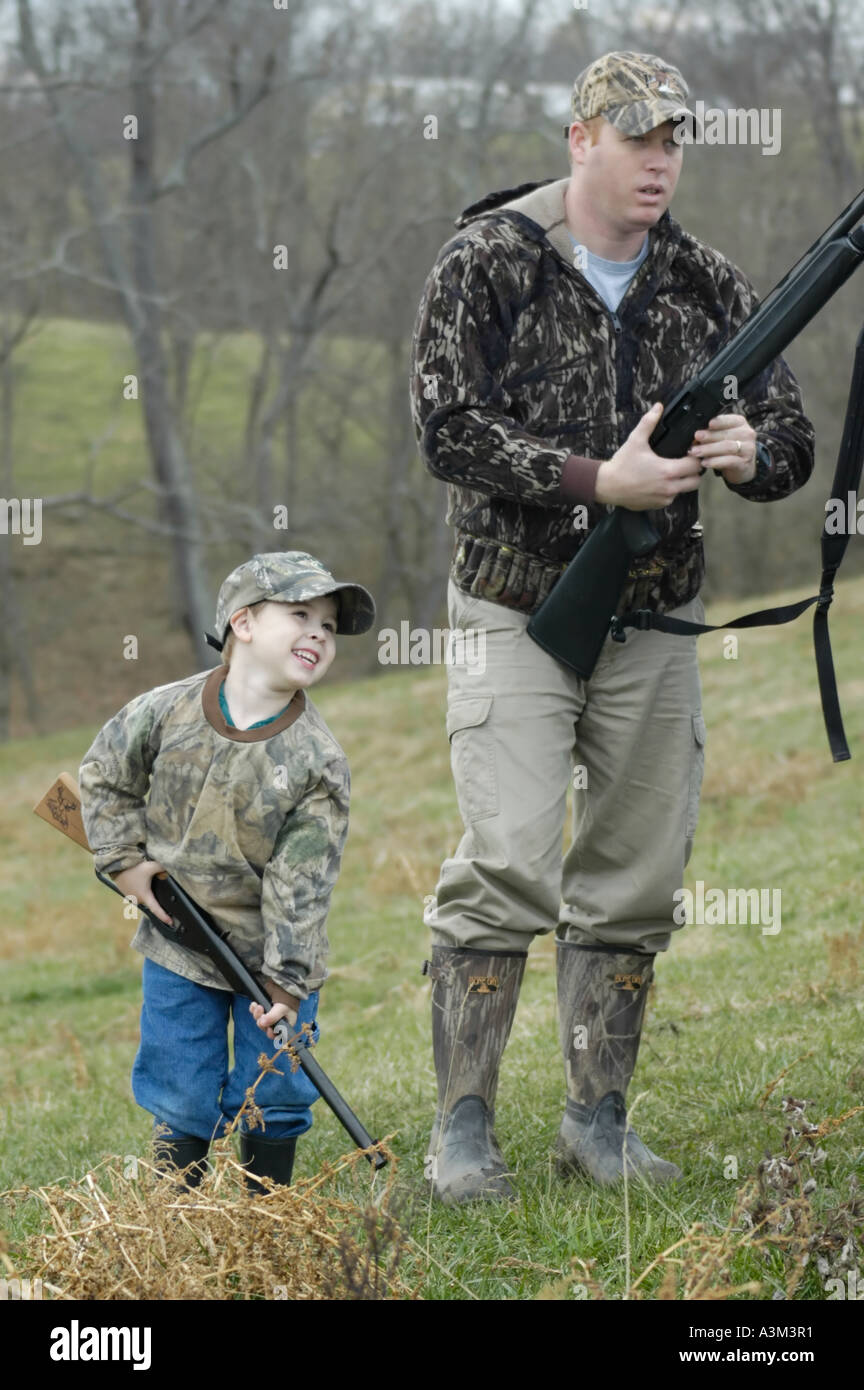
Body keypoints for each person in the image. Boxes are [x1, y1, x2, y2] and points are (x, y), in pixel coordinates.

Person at [410, 51, 815, 1203]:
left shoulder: (706, 280)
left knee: (636, 877)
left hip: (657, 617)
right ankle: (464, 1130)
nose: (659, 160)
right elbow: (447, 428)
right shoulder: (486, 258)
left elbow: (790, 439)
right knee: (507, 861)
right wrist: (601, 479)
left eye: (673, 140)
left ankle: (596, 1119)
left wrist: (752, 456)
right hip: (516, 609)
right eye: (636, 137)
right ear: (580, 137)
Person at [79, 552, 375, 1191]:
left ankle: (266, 1216)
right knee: (180, 1081)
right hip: (177, 942)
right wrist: (124, 864)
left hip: (270, 960)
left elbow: (304, 885)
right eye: (301, 614)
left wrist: (288, 985)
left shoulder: (316, 761)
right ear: (242, 622)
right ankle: (175, 1216)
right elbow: (104, 778)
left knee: (277, 1090)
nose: (320, 633)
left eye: (329, 625)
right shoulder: (165, 710)